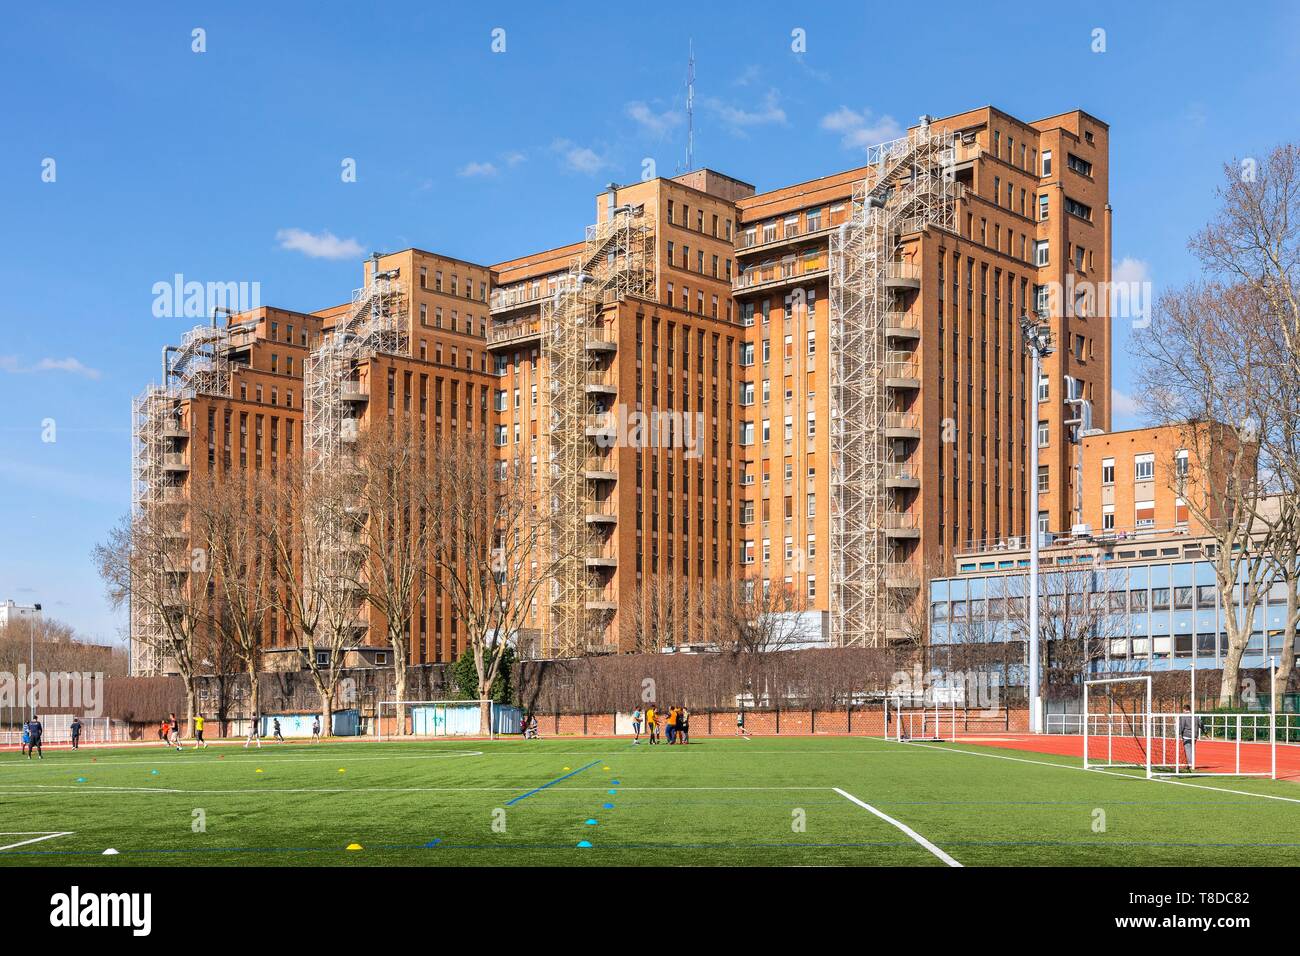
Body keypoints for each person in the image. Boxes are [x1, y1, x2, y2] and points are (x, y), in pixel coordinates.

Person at [1177, 704, 1197, 772]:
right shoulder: (1195, 715)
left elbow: (1182, 725)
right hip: (1194, 735)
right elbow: (1201, 723)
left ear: (1185, 709)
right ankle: (1190, 764)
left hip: (1187, 735)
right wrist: (1205, 732)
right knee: (1191, 750)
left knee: (1188, 750)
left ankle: (1191, 764)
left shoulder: (1183, 716)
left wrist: (1179, 733)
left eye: (1183, 709)